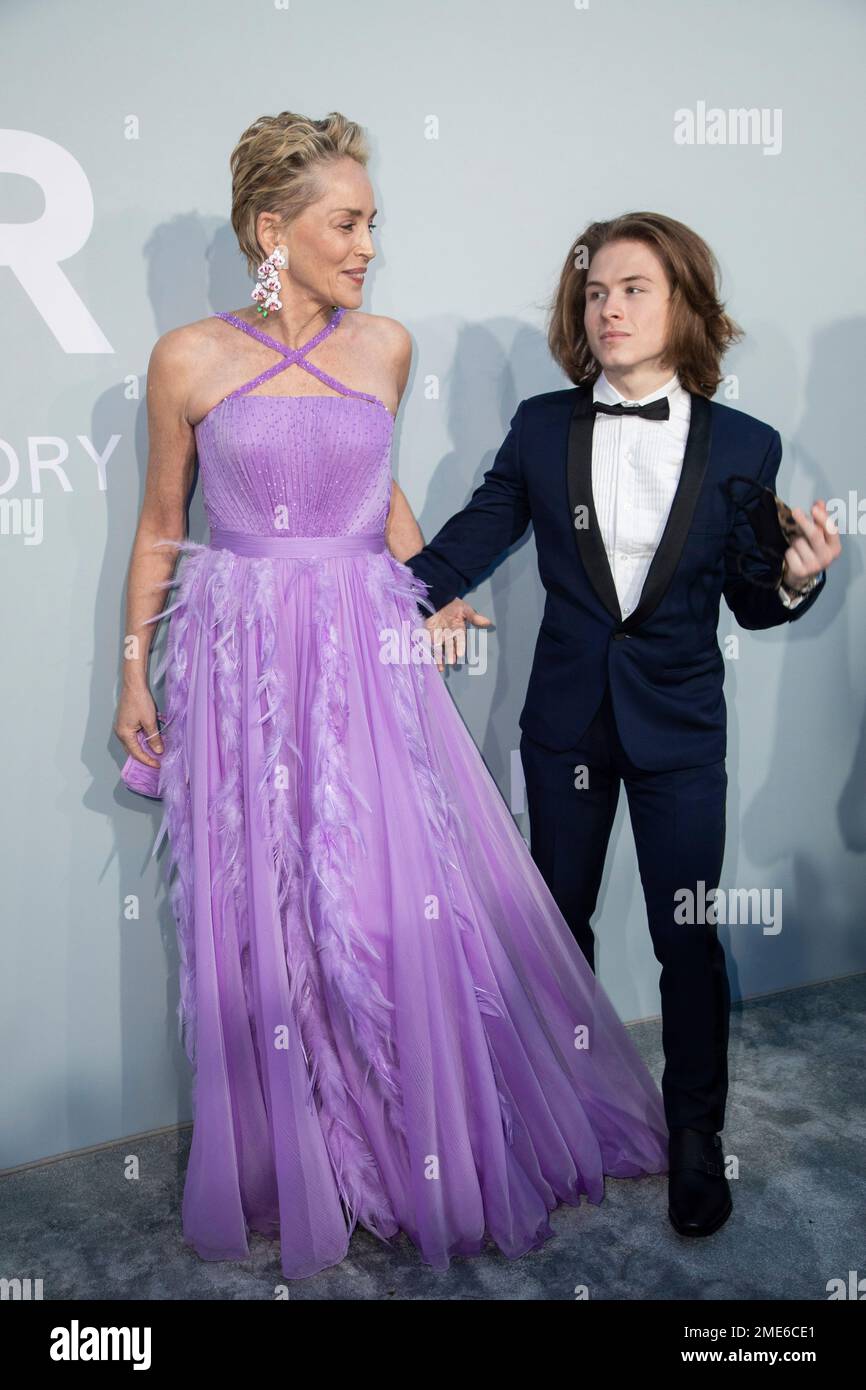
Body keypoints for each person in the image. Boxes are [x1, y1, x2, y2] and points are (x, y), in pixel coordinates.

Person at [114, 114, 670, 1282]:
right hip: (238, 658)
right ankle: (308, 1158)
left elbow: (378, 488)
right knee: (267, 919)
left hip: (363, 653)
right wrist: (129, 669)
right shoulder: (187, 359)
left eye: (374, 223)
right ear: (274, 230)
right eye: (346, 222)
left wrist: (431, 591)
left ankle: (411, 1146)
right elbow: (163, 523)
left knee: (381, 902)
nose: (369, 244)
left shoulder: (385, 347)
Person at [404, 211, 842, 1238]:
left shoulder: (743, 442)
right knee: (552, 933)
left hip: (680, 732)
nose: (608, 307)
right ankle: (555, 1124)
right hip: (562, 727)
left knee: (686, 937)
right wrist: (371, 594)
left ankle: (694, 1140)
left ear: (682, 303)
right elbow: (467, 542)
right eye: (595, 291)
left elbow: (747, 592)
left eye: (632, 288)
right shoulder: (538, 428)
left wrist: (790, 577)